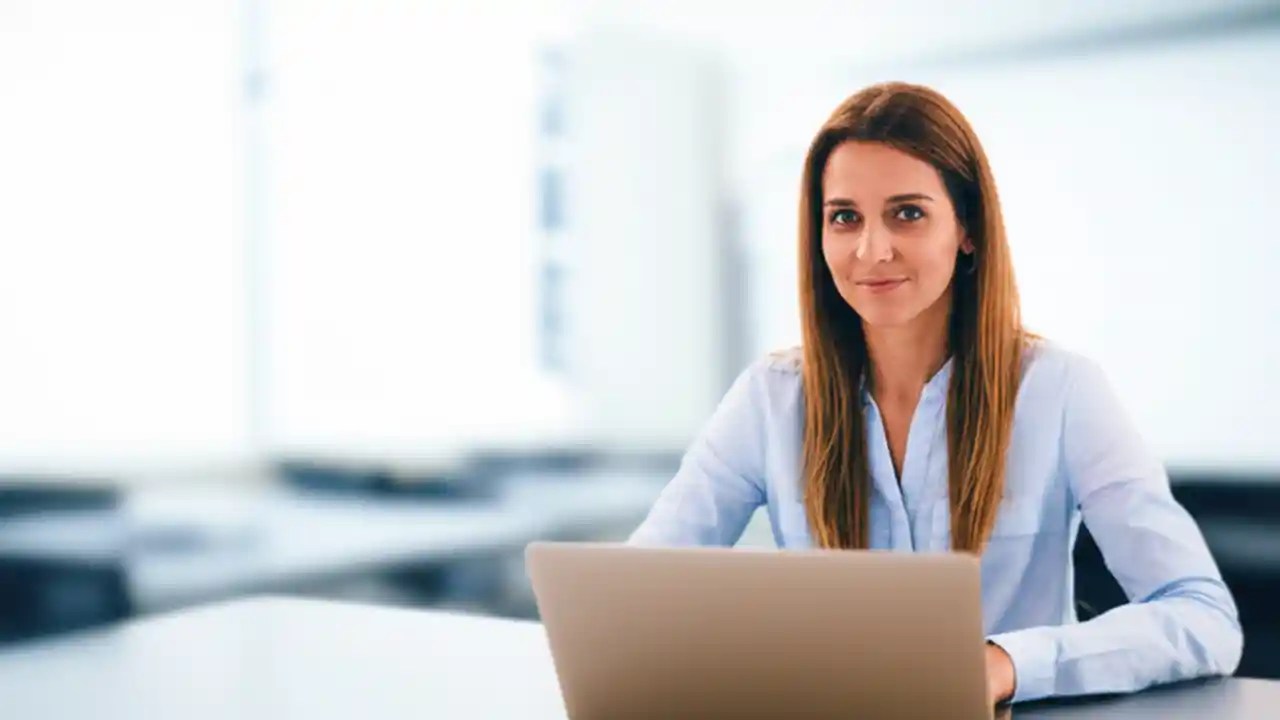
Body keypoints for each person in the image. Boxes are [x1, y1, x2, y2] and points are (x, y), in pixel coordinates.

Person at [628, 81, 1242, 707]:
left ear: (967, 228)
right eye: (845, 217)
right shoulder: (770, 399)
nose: (872, 250)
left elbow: (1201, 617)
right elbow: (638, 599)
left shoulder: (1060, 390)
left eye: (907, 213)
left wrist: (1006, 662)